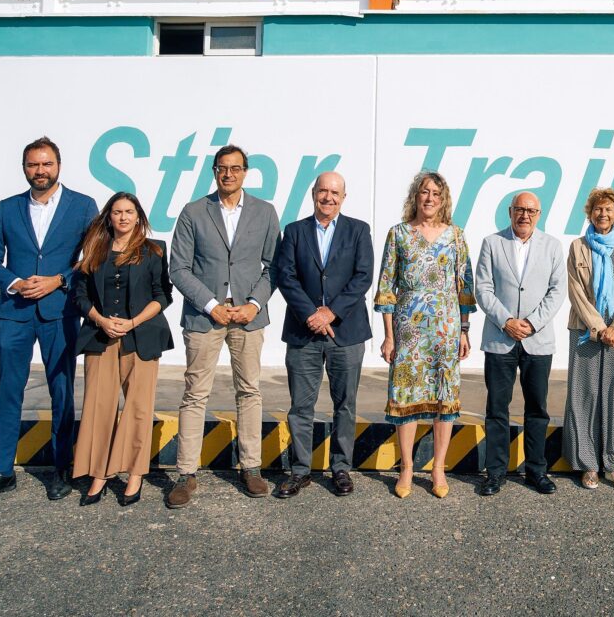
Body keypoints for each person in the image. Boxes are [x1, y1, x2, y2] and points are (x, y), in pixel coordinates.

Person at [0, 136, 97, 506]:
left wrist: (59, 280)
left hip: (60, 312)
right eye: (32, 165)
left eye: (46, 164)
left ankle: (61, 469)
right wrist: (14, 281)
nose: (40, 171)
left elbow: (93, 258)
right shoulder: (7, 208)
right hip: (15, 313)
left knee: (62, 391)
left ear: (58, 166)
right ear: (24, 168)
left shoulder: (82, 205)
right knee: (8, 390)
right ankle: (0, 472)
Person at [166, 145, 282, 508]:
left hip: (248, 317)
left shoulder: (264, 212)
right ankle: (186, 473)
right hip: (205, 316)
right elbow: (178, 269)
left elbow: (274, 266)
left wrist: (253, 304)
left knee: (249, 390)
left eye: (235, 168)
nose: (228, 174)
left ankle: (250, 467)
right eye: (222, 168)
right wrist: (212, 305)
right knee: (195, 392)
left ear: (246, 172)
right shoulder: (193, 212)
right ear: (214, 172)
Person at [374, 170, 476, 499]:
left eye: (435, 193)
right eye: (424, 192)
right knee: (405, 397)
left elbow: (465, 289)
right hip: (408, 331)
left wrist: (463, 330)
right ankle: (406, 468)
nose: (429, 198)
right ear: (415, 197)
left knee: (444, 399)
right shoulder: (399, 234)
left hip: (445, 332)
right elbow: (387, 287)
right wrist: (389, 336)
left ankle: (438, 468)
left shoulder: (456, 236)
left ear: (443, 199)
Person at [272, 171, 374, 498]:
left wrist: (331, 312)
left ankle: (341, 467)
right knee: (301, 405)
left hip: (347, 332)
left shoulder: (359, 230)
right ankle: (300, 470)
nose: (328, 197)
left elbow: (362, 277)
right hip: (304, 332)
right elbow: (286, 277)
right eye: (322, 191)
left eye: (335, 192)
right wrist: (311, 314)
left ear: (343, 198)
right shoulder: (295, 231)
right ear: (313, 193)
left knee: (345, 404)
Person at [72, 192, 173, 506]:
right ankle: (100, 472)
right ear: (109, 216)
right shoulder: (94, 250)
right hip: (100, 337)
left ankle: (134, 473)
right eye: (117, 212)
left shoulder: (154, 251)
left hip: (140, 337)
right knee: (98, 407)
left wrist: (132, 323)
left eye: (129, 212)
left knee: (137, 408)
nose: (123, 217)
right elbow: (80, 294)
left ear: (138, 216)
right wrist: (101, 320)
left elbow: (163, 295)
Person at [474, 191, 566, 497]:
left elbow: (557, 291)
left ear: (538, 214)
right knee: (497, 408)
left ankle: (536, 470)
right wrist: (506, 321)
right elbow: (483, 288)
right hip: (501, 339)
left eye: (530, 211)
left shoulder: (552, 246)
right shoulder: (492, 243)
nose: (524, 215)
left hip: (537, 341)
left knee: (537, 408)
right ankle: (495, 473)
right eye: (519, 210)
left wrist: (532, 323)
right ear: (510, 212)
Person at [564, 188, 614, 490]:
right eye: (597, 209)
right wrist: (598, 327)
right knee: (585, 397)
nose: (603, 214)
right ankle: (588, 464)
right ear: (590, 213)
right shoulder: (577, 247)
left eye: (608, 209)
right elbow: (576, 293)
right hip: (586, 332)